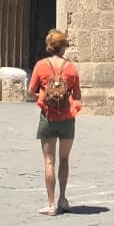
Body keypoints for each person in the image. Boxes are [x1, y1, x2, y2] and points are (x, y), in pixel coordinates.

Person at [27, 28, 82, 215]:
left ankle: (51, 204)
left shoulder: (41, 65)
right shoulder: (71, 68)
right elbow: (77, 95)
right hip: (67, 118)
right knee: (64, 159)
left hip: (48, 117)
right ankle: (63, 198)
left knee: (49, 161)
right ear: (63, 46)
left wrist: (42, 96)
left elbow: (30, 91)